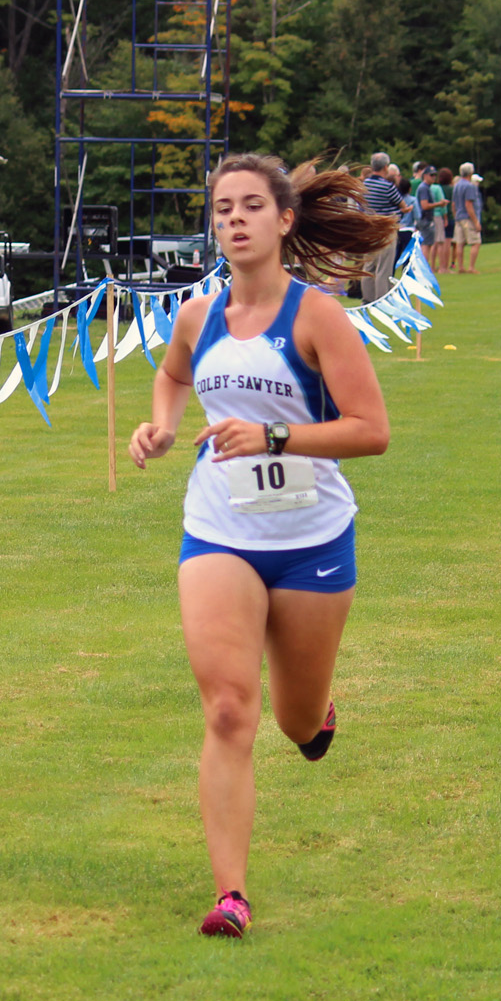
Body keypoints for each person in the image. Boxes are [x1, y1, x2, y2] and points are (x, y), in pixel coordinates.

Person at [127, 153, 394, 940]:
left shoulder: (318, 317)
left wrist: (273, 434)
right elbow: (173, 376)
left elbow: (371, 431)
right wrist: (162, 426)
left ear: (283, 220)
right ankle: (231, 894)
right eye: (222, 208)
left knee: (293, 720)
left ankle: (315, 719)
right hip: (219, 530)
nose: (235, 219)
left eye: (250, 205)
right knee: (227, 708)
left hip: (311, 537)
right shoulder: (196, 315)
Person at [359, 154, 403, 302]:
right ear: (386, 167)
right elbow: (401, 204)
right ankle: (382, 299)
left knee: (369, 265)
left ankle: (368, 298)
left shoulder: (364, 185)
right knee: (384, 266)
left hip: (368, 227)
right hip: (385, 228)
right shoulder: (387, 186)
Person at [452, 163, 483, 274]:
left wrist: (455, 216)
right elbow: (468, 205)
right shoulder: (469, 186)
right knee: (476, 242)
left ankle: (460, 267)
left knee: (460, 243)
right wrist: (476, 221)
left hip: (459, 217)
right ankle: (471, 267)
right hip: (467, 217)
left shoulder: (457, 185)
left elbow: (453, 204)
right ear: (470, 172)